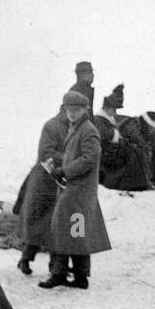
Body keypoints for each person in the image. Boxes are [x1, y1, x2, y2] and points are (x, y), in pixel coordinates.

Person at [39, 90, 112, 289]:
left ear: (85, 110)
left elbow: (90, 157)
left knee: (66, 231)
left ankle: (61, 274)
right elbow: (78, 155)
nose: (71, 113)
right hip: (76, 192)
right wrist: (60, 164)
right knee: (75, 233)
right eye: (69, 109)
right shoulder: (77, 128)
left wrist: (65, 171)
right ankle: (79, 276)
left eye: (76, 110)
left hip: (78, 193)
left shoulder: (87, 130)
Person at [15, 105, 68, 275]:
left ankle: (56, 267)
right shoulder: (52, 125)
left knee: (54, 226)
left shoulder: (74, 126)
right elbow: (46, 153)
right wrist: (68, 158)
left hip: (61, 181)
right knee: (37, 224)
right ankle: (25, 259)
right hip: (43, 181)